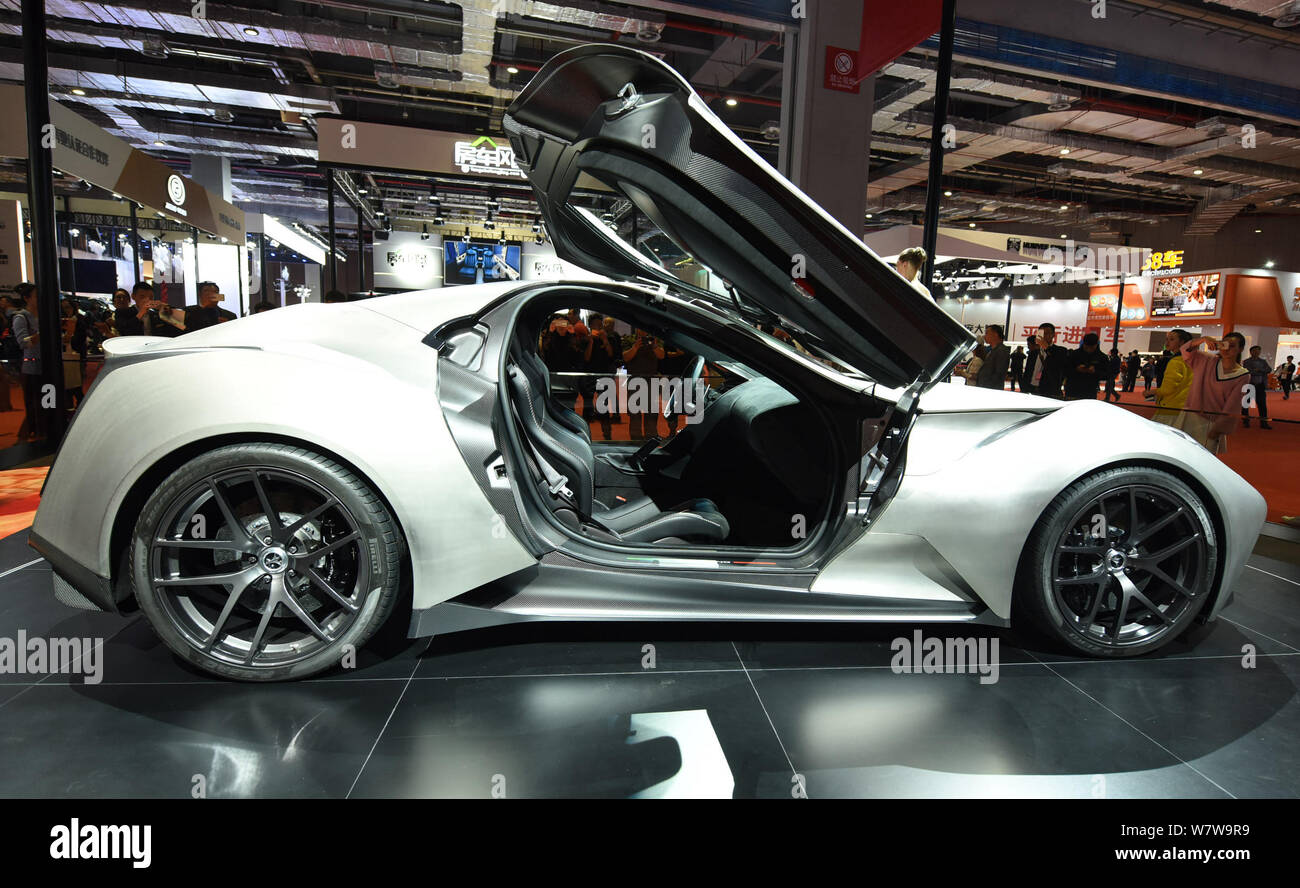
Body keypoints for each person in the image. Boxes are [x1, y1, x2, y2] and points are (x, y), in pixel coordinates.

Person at [1179, 332, 1250, 453]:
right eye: (1223, 344)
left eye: (1232, 346)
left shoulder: (1243, 375)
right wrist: (1203, 339)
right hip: (1189, 416)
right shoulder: (1207, 360)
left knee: (1202, 461)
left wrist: (1218, 429)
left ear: (1241, 349)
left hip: (1212, 424)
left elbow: (1233, 406)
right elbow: (1184, 349)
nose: (1226, 349)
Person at [10, 283, 47, 441]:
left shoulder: (45, 315)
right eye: (36, 295)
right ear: (27, 298)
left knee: (47, 402)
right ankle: (32, 434)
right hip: (32, 367)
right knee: (34, 404)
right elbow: (23, 343)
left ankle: (43, 430)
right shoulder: (21, 317)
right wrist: (42, 333)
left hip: (48, 366)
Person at [584, 314, 622, 440]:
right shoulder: (586, 339)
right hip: (589, 376)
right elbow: (586, 358)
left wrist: (605, 340)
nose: (598, 327)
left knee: (604, 409)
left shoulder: (609, 337)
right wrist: (590, 341)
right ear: (590, 326)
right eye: (595, 325)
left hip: (604, 374)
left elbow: (611, 355)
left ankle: (607, 436)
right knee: (588, 409)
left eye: (600, 325)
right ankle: (585, 437)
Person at [623, 327, 664, 441]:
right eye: (639, 328)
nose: (642, 331)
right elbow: (626, 357)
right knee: (634, 415)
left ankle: (650, 442)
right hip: (634, 381)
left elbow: (661, 355)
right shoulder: (629, 339)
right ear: (636, 329)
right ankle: (635, 443)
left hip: (652, 381)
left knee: (651, 415)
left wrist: (654, 346)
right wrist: (635, 347)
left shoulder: (655, 340)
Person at [1148, 329, 1193, 425]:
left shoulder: (1176, 361)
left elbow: (1167, 389)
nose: (1167, 342)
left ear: (1182, 342)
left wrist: (1151, 392)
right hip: (1186, 407)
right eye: (1167, 339)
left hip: (1171, 408)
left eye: (1172, 339)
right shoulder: (1193, 360)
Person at [1021, 323, 1068, 399]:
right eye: (1042, 333)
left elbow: (1058, 366)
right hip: (1031, 389)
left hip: (1049, 390)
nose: (1044, 336)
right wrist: (1024, 388)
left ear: (1053, 335)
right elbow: (1027, 371)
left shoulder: (1060, 351)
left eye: (1047, 333)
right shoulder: (1034, 352)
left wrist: (1046, 347)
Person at [1063, 332, 1110, 400]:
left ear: (1096, 345)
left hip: (1090, 391)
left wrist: (1094, 371)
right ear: (1083, 344)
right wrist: (1077, 370)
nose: (1089, 349)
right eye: (1086, 347)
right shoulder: (1074, 354)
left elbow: (1107, 375)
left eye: (1091, 347)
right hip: (1072, 390)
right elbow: (1065, 371)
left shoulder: (1102, 357)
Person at [60, 298, 88, 408]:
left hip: (77, 356)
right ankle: (71, 406)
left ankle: (80, 406)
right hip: (64, 356)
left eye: (67, 307)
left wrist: (68, 337)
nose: (65, 310)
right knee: (67, 384)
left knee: (77, 384)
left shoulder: (79, 320)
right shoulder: (60, 321)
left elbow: (80, 338)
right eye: (62, 308)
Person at [1240, 345, 1272, 429]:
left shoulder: (1263, 361)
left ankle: (1264, 423)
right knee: (1246, 404)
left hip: (1260, 385)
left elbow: (1269, 370)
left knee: (1262, 405)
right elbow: (1247, 371)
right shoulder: (1246, 361)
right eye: (1254, 351)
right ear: (1251, 352)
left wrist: (1259, 370)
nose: (1257, 352)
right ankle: (1245, 421)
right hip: (1249, 385)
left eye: (1258, 351)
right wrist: (1259, 371)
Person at [975, 324, 1010, 390]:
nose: (984, 336)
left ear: (995, 334)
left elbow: (999, 374)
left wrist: (987, 386)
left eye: (987, 333)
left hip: (991, 389)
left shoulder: (1001, 351)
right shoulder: (993, 350)